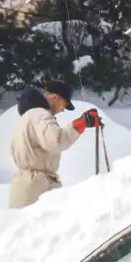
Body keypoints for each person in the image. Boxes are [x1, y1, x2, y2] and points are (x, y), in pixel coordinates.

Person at [9, 80, 101, 209]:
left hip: (26, 185)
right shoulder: (41, 115)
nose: (62, 110)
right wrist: (82, 123)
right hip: (36, 187)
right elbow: (56, 141)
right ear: (55, 97)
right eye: (64, 104)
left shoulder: (29, 116)